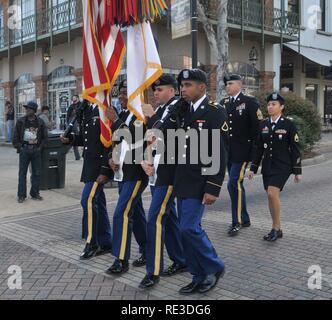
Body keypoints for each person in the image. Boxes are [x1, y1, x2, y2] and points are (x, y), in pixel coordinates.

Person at [174, 68, 228, 294]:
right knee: (184, 230)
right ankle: (198, 275)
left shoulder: (214, 112)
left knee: (189, 227)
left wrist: (213, 187)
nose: (183, 89)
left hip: (200, 181)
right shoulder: (184, 110)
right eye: (182, 86)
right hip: (183, 180)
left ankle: (214, 266)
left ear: (202, 87)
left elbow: (220, 152)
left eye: (187, 85)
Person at [138, 74, 186, 289]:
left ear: (172, 90)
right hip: (158, 169)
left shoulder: (179, 108)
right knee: (170, 217)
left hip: (170, 172)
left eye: (159, 89)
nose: (155, 93)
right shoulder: (164, 110)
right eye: (154, 90)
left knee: (154, 218)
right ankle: (180, 259)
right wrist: (146, 160)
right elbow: (152, 135)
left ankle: (153, 270)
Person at [105, 79, 148, 274]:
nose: (120, 97)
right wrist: (111, 159)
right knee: (136, 214)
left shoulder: (141, 114)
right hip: (123, 173)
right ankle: (147, 250)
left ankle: (121, 259)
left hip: (136, 174)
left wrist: (115, 121)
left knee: (121, 213)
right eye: (120, 93)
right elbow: (118, 143)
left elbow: (135, 140)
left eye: (125, 93)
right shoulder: (124, 114)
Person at [60, 101, 113, 259]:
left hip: (99, 167)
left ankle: (92, 242)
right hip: (89, 165)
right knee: (99, 204)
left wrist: (105, 170)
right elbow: (86, 139)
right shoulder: (88, 109)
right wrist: (70, 138)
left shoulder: (105, 109)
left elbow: (108, 142)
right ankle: (105, 242)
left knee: (87, 201)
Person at [248, 92, 302, 241]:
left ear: (281, 107)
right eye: (269, 104)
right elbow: (259, 148)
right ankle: (276, 227)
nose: (270, 107)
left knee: (272, 193)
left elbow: (295, 148)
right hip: (268, 166)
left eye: (274, 104)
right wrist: (253, 168)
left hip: (283, 165)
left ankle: (276, 228)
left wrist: (297, 170)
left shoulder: (288, 124)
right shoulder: (263, 124)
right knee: (271, 197)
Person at [221, 74, 262, 236]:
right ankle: (245, 218)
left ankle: (236, 221)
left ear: (240, 84)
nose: (227, 86)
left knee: (232, 183)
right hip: (229, 152)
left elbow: (257, 131)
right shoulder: (224, 103)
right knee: (236, 185)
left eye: (230, 83)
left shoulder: (250, 103)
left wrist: (253, 156)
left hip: (243, 153)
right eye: (226, 84)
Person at [13, 101, 48, 203]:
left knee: (37, 173)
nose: (27, 110)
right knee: (22, 173)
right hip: (24, 150)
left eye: (29, 109)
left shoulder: (40, 122)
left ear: (34, 111)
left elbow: (45, 138)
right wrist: (20, 147)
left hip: (36, 150)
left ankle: (35, 193)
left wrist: (40, 148)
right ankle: (21, 195)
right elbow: (15, 138)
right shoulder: (20, 121)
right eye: (26, 108)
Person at [66, 95, 81, 160]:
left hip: (78, 123)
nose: (74, 101)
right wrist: (68, 125)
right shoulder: (71, 106)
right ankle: (76, 156)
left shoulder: (81, 105)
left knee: (75, 139)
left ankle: (77, 156)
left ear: (78, 98)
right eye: (73, 100)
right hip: (72, 124)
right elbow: (68, 116)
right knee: (72, 139)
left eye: (75, 99)